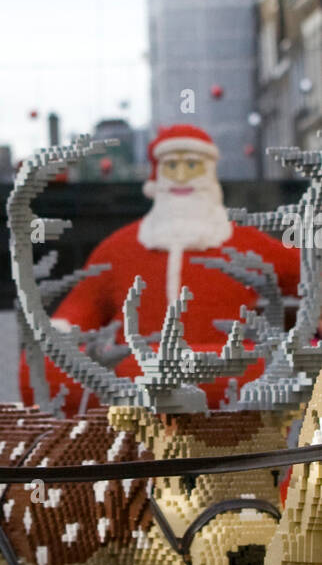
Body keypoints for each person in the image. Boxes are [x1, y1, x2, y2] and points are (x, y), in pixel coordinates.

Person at [19, 123, 300, 414]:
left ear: (209, 173)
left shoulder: (246, 242)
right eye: (172, 166)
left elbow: (308, 277)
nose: (181, 177)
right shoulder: (119, 248)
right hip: (135, 371)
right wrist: (59, 333)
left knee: (266, 369)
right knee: (43, 367)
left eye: (192, 165)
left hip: (225, 368)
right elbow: (81, 306)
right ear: (157, 175)